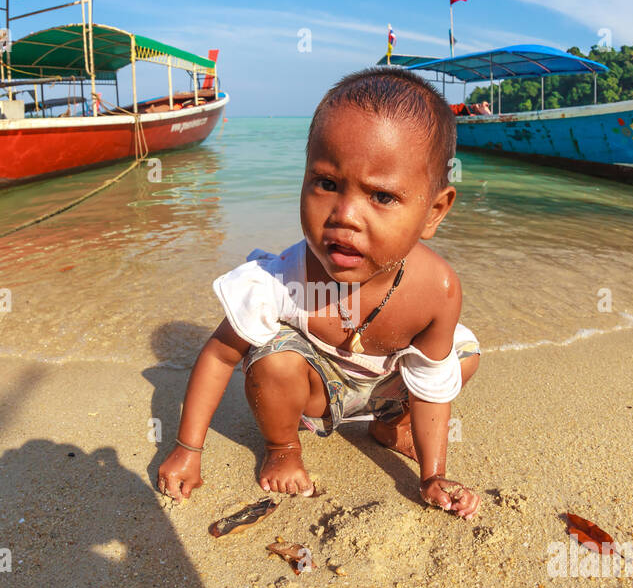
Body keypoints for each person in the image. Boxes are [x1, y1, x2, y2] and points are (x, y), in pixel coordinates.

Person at [156, 67, 482, 518]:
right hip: (315, 398)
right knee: (272, 357)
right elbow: (219, 355)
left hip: (386, 388)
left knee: (461, 356)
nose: (344, 215)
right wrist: (187, 449)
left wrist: (433, 475)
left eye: (382, 197)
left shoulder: (437, 290)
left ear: (434, 211)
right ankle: (283, 448)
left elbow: (429, 387)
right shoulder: (281, 280)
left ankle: (390, 428)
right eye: (326, 183)